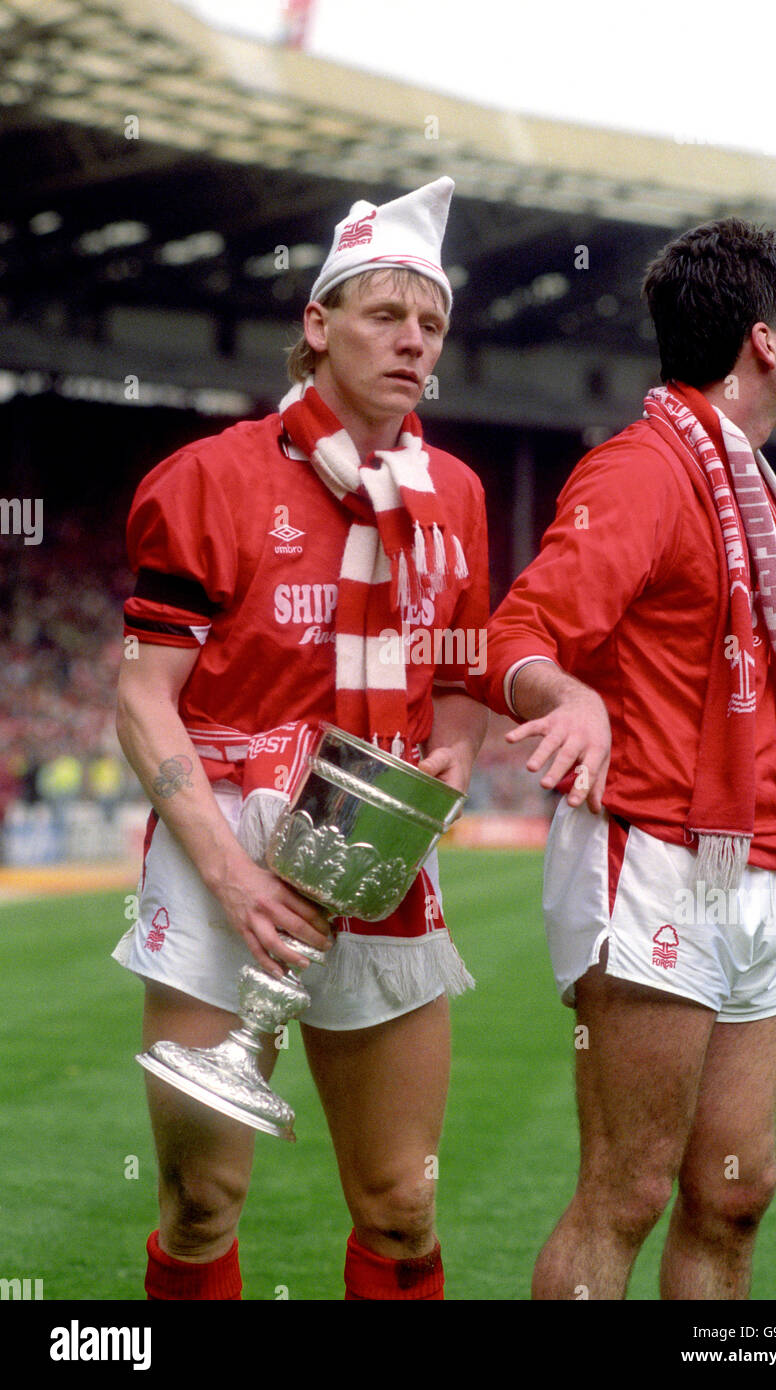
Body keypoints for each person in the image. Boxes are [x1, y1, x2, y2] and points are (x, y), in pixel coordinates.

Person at [113, 176, 489, 1301]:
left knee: (402, 1202)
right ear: (317, 326)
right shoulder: (209, 480)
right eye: (385, 314)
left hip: (379, 847)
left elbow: (463, 675)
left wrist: (459, 752)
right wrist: (230, 875)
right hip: (221, 835)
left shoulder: (456, 493)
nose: (412, 341)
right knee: (198, 1203)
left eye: (429, 324)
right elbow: (142, 698)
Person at [471, 217, 776, 1300]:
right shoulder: (641, 472)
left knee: (734, 1191)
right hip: (649, 858)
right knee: (627, 1191)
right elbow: (515, 636)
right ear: (760, 343)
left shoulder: (749, 484)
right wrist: (569, 694)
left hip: (754, 861)